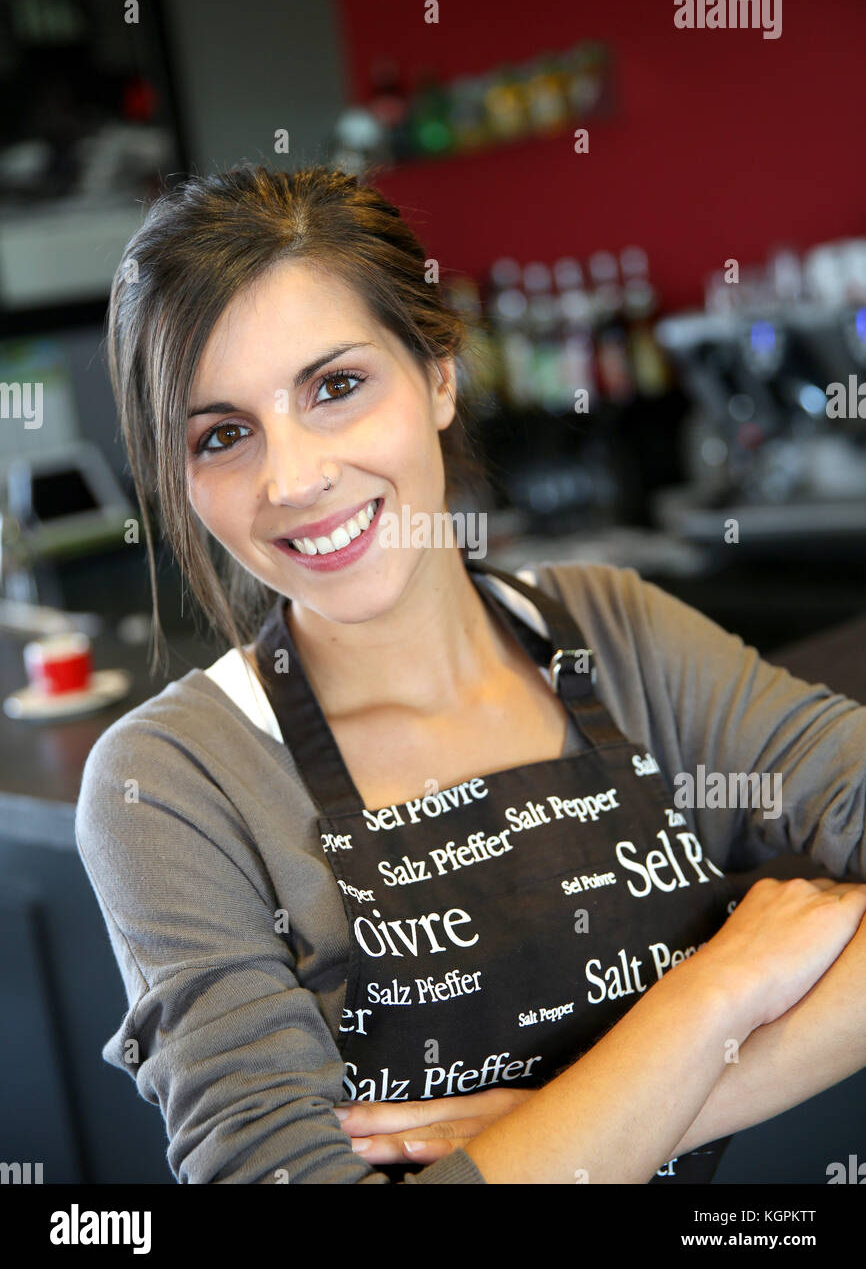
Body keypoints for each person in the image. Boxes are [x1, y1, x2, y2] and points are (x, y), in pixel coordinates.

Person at [76, 163, 866, 1185]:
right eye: (222, 434)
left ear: (439, 374)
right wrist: (710, 995)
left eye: (336, 386)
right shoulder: (173, 783)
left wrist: (583, 1124)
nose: (293, 479)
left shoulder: (610, 631)